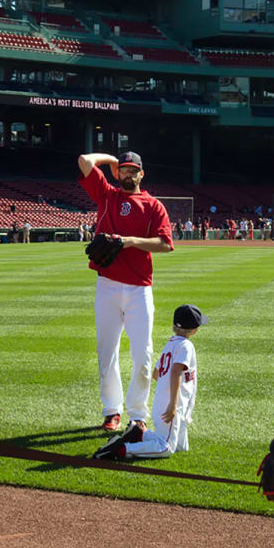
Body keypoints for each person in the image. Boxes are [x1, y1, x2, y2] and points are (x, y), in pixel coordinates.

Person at [78, 150, 174, 432]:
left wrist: (129, 241)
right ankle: (111, 411)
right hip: (107, 285)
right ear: (117, 172)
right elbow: (84, 160)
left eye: (133, 170)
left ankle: (137, 415)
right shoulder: (107, 195)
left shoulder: (153, 205)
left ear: (142, 174)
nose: (128, 174)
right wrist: (110, 160)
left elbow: (165, 243)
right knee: (107, 352)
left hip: (139, 289)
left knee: (142, 356)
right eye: (124, 170)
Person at [93, 304, 206, 461]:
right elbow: (175, 372)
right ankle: (120, 449)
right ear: (194, 329)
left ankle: (140, 433)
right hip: (171, 406)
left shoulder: (171, 343)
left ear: (174, 326)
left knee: (181, 447)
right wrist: (173, 404)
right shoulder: (186, 346)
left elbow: (155, 374)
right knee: (165, 448)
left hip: (162, 403)